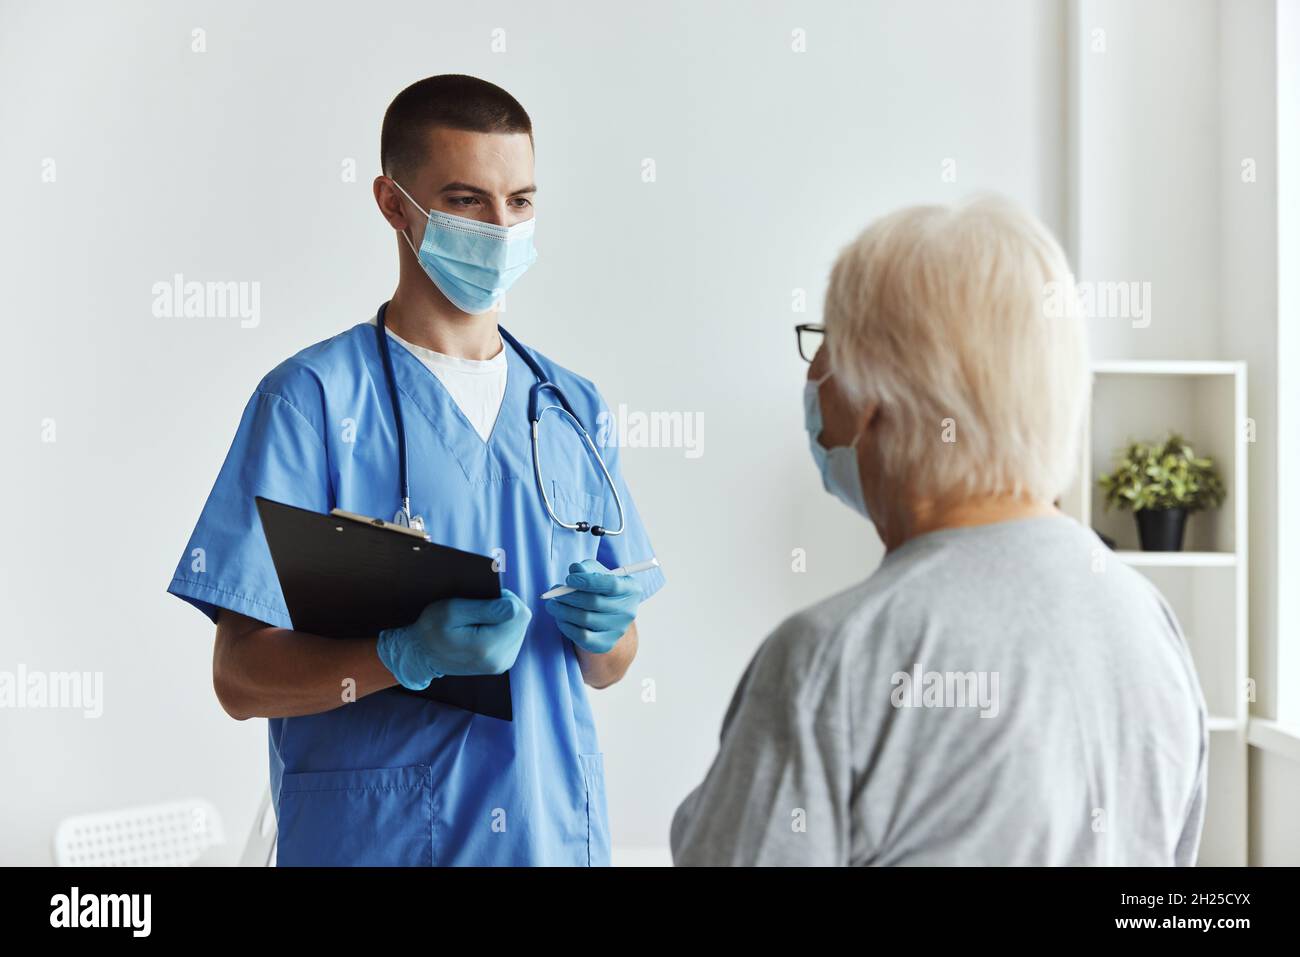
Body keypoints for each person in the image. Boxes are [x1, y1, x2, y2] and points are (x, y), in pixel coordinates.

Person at [167, 74, 665, 866]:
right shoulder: (312, 403)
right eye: (468, 200)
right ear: (393, 203)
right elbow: (241, 679)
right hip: (383, 844)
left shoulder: (570, 406)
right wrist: (401, 655)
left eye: (522, 201)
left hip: (550, 837)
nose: (502, 228)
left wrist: (610, 635)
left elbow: (611, 663)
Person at [669, 197, 1207, 866]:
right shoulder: (1147, 624)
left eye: (824, 340)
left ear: (870, 393)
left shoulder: (831, 658)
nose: (811, 377)